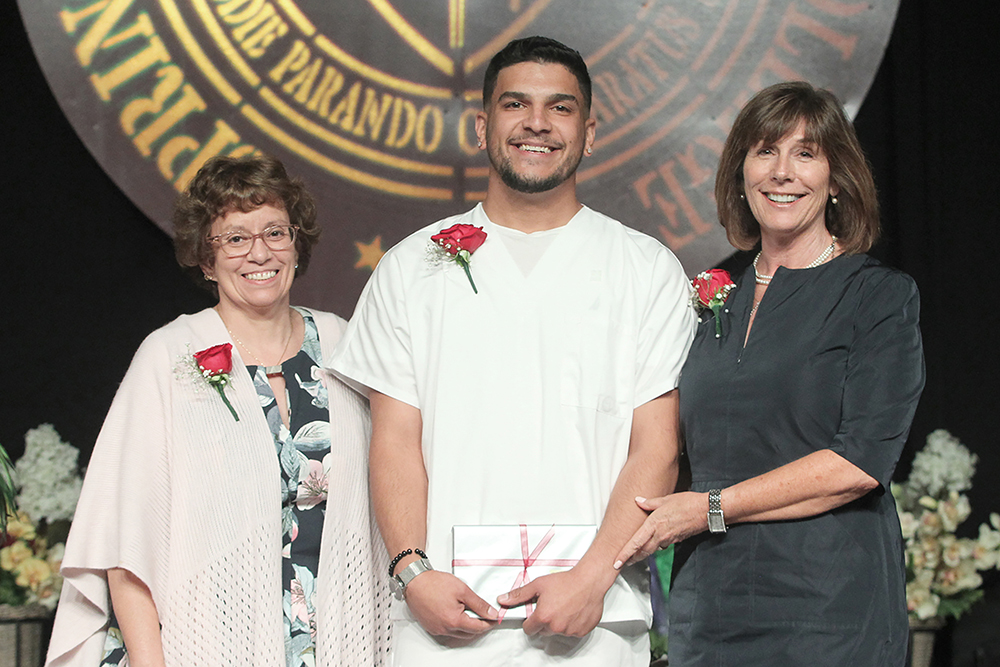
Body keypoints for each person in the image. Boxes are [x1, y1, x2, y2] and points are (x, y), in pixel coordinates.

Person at [330, 36, 696, 666]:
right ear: (482, 126)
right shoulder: (411, 266)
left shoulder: (646, 267)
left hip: (595, 618)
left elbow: (657, 446)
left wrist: (593, 577)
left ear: (588, 132)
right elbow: (393, 441)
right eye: (515, 105)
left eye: (560, 108)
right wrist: (412, 572)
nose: (536, 123)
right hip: (444, 620)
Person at [615, 81, 925, 665]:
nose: (782, 172)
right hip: (710, 609)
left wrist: (710, 507)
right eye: (765, 151)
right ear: (741, 173)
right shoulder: (711, 301)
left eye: (805, 153)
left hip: (830, 614)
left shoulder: (877, 297)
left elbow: (859, 463)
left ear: (836, 180)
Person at [45, 155, 390, 666]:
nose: (259, 252)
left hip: (340, 644)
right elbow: (127, 541)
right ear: (206, 260)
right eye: (234, 238)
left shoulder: (345, 345)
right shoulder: (169, 357)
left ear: (297, 244)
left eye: (275, 231)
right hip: (203, 645)